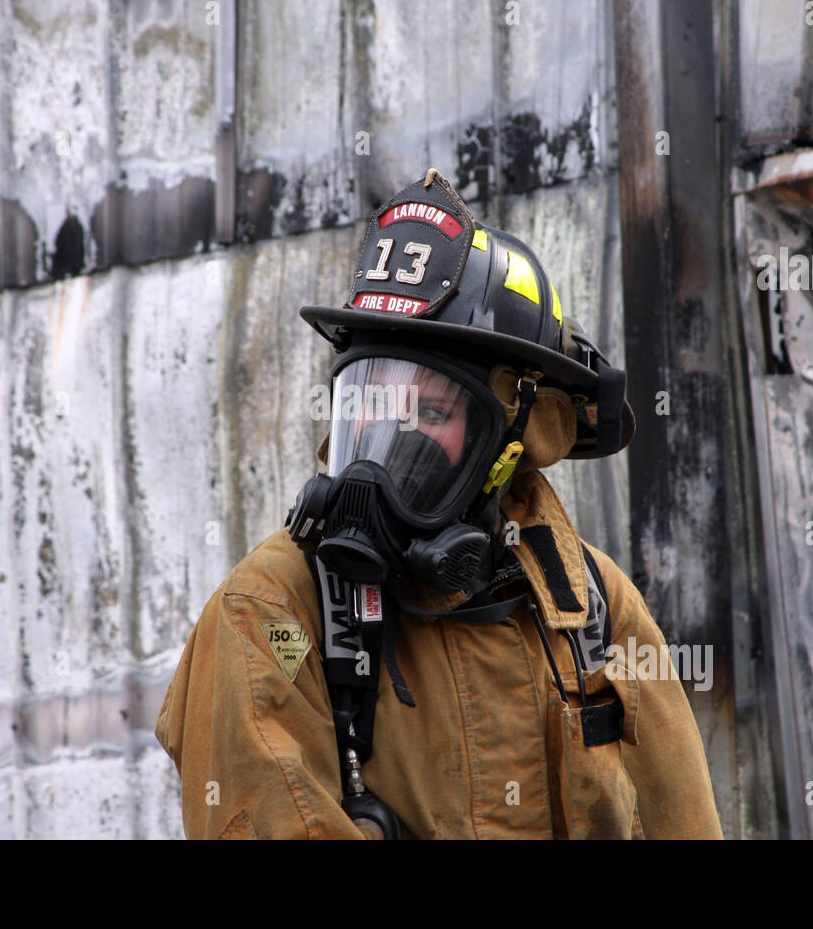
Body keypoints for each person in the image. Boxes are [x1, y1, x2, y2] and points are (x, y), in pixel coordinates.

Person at [156, 169, 723, 839]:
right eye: (373, 402)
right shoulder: (274, 616)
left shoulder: (592, 608)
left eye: (430, 408)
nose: (391, 438)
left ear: (509, 440)